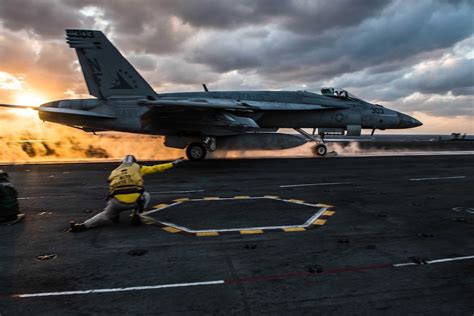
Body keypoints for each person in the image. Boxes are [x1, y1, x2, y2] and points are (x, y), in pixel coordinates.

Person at [70, 155, 184, 232]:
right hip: (135, 200)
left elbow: (111, 184)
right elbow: (156, 168)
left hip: (117, 202)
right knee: (146, 195)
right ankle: (136, 215)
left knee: (104, 215)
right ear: (134, 161)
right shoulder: (137, 167)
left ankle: (83, 226)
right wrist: (173, 163)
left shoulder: (114, 171)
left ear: (122, 162)